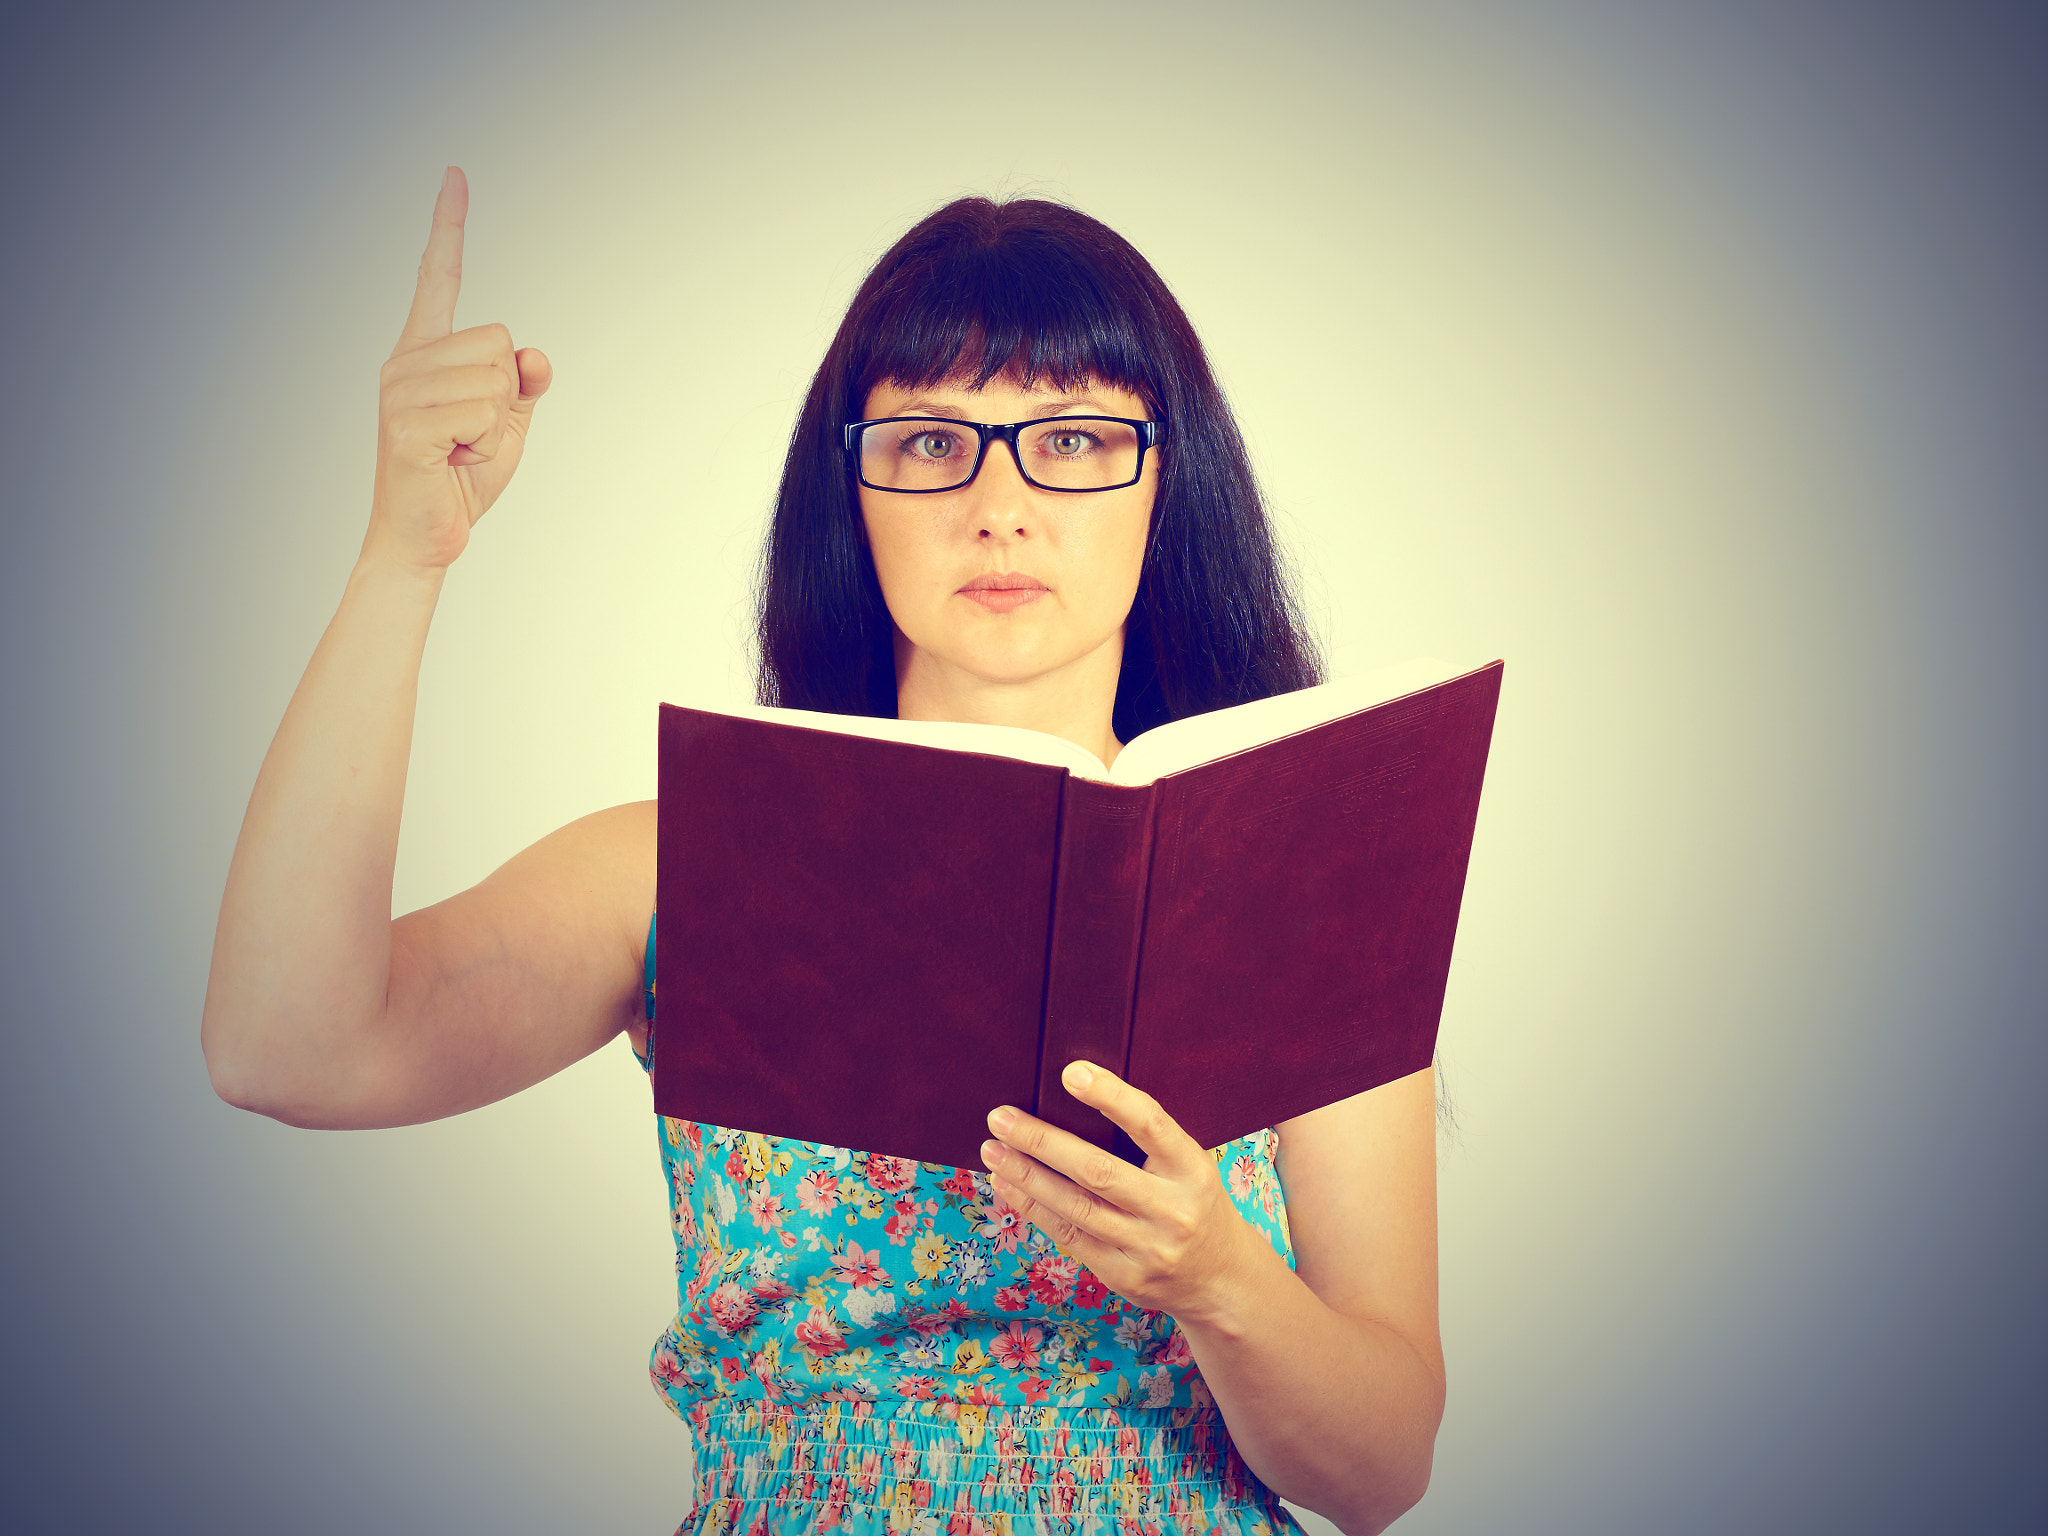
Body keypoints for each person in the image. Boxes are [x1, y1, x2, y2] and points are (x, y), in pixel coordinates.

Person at [201, 167, 1446, 1536]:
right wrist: (402, 554)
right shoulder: (690, 867)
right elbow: (287, 1046)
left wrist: (1221, 1277)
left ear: (1168, 482)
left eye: (1076, 440)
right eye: (929, 444)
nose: (1002, 504)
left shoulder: (1301, 883)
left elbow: (1381, 1472)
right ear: (848, 491)